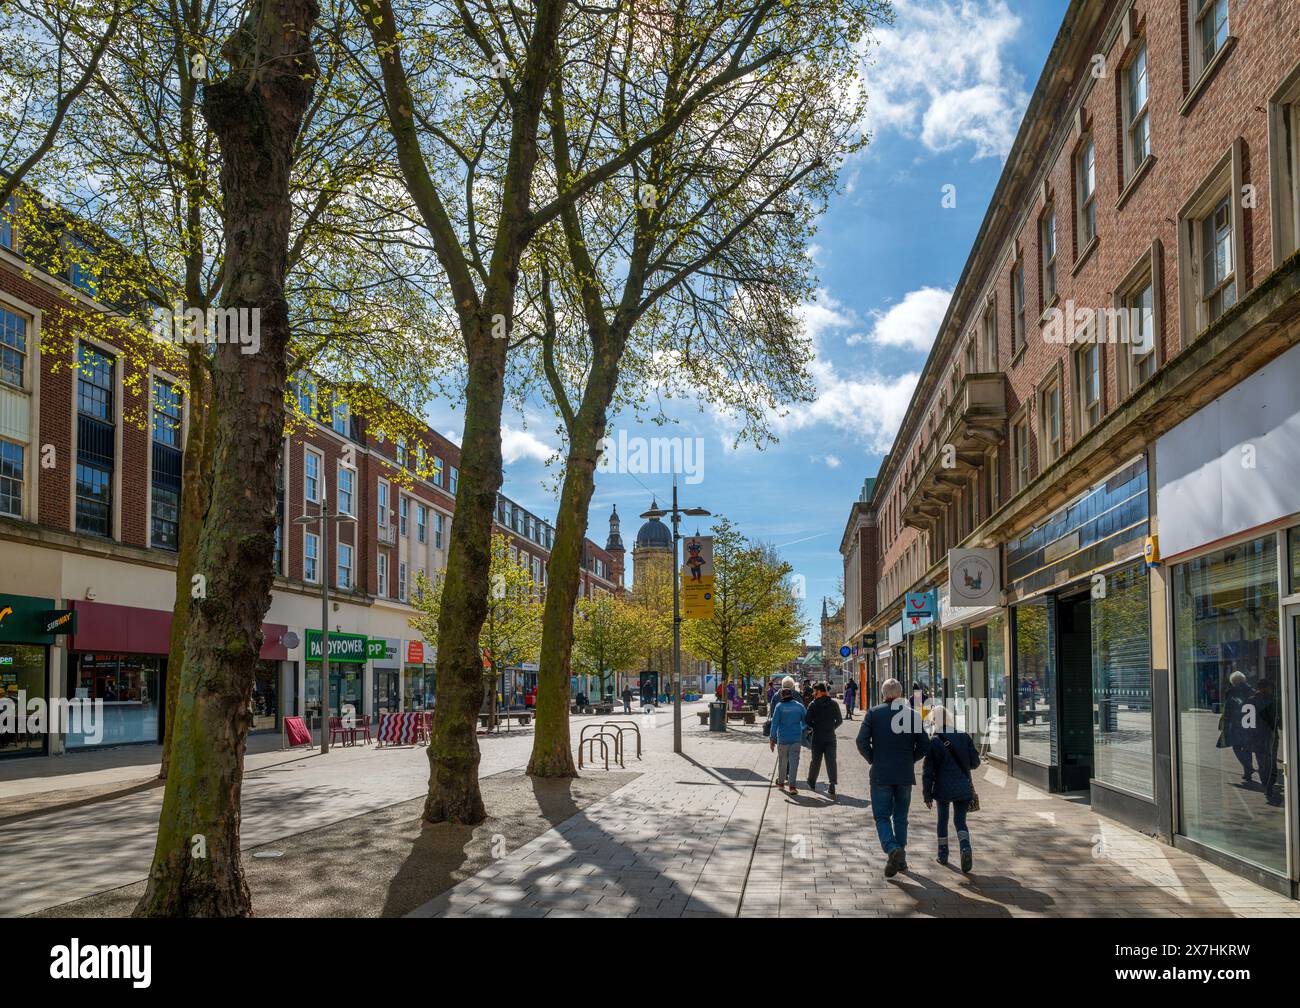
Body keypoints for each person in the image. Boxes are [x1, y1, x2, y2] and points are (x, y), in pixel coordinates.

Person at [856, 677, 930, 877]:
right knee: (901, 817)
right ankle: (901, 858)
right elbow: (925, 745)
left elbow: (861, 741)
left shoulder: (873, 713)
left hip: (881, 773)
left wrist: (873, 759)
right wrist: (910, 759)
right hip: (904, 774)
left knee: (881, 816)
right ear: (900, 694)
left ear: (883, 694)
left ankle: (891, 848)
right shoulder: (912, 715)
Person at [923, 705, 980, 873]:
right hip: (963, 786)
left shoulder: (934, 741)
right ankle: (965, 847)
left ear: (935, 721)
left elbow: (928, 771)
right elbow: (975, 763)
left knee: (943, 820)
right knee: (960, 821)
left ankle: (943, 854)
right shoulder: (963, 736)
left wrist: (927, 795)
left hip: (942, 789)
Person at [768, 676, 806, 795]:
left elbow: (774, 723)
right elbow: (805, 721)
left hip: (782, 738)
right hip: (795, 738)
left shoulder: (779, 706)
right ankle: (792, 786)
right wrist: (804, 730)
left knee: (782, 760)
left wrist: (772, 739)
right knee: (794, 762)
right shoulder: (799, 706)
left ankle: (780, 783)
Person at [805, 682, 843, 799]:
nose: (813, 693)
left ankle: (811, 782)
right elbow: (840, 720)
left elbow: (807, 721)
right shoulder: (834, 704)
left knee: (815, 761)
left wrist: (814, 727)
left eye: (815, 691)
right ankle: (832, 783)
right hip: (830, 736)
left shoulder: (813, 705)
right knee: (831, 760)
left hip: (817, 737)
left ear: (820, 691)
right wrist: (832, 727)